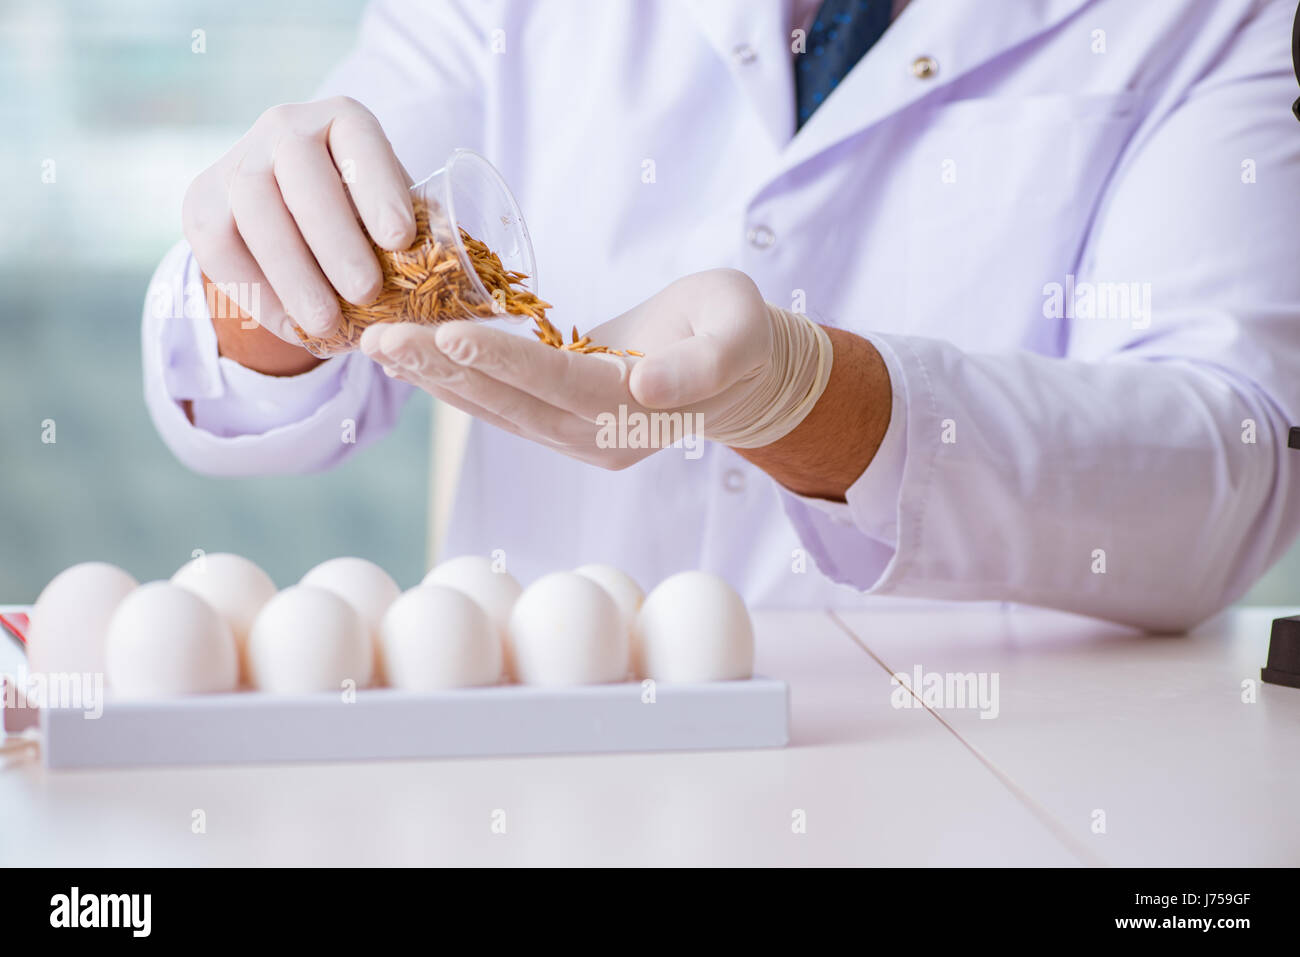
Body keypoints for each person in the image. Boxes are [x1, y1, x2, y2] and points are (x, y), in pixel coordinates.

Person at [142, 0, 1300, 631]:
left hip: (978, 798)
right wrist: (278, 276)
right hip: (553, 766)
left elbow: (1229, 465)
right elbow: (264, 343)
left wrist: (815, 399)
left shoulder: (1210, 17)